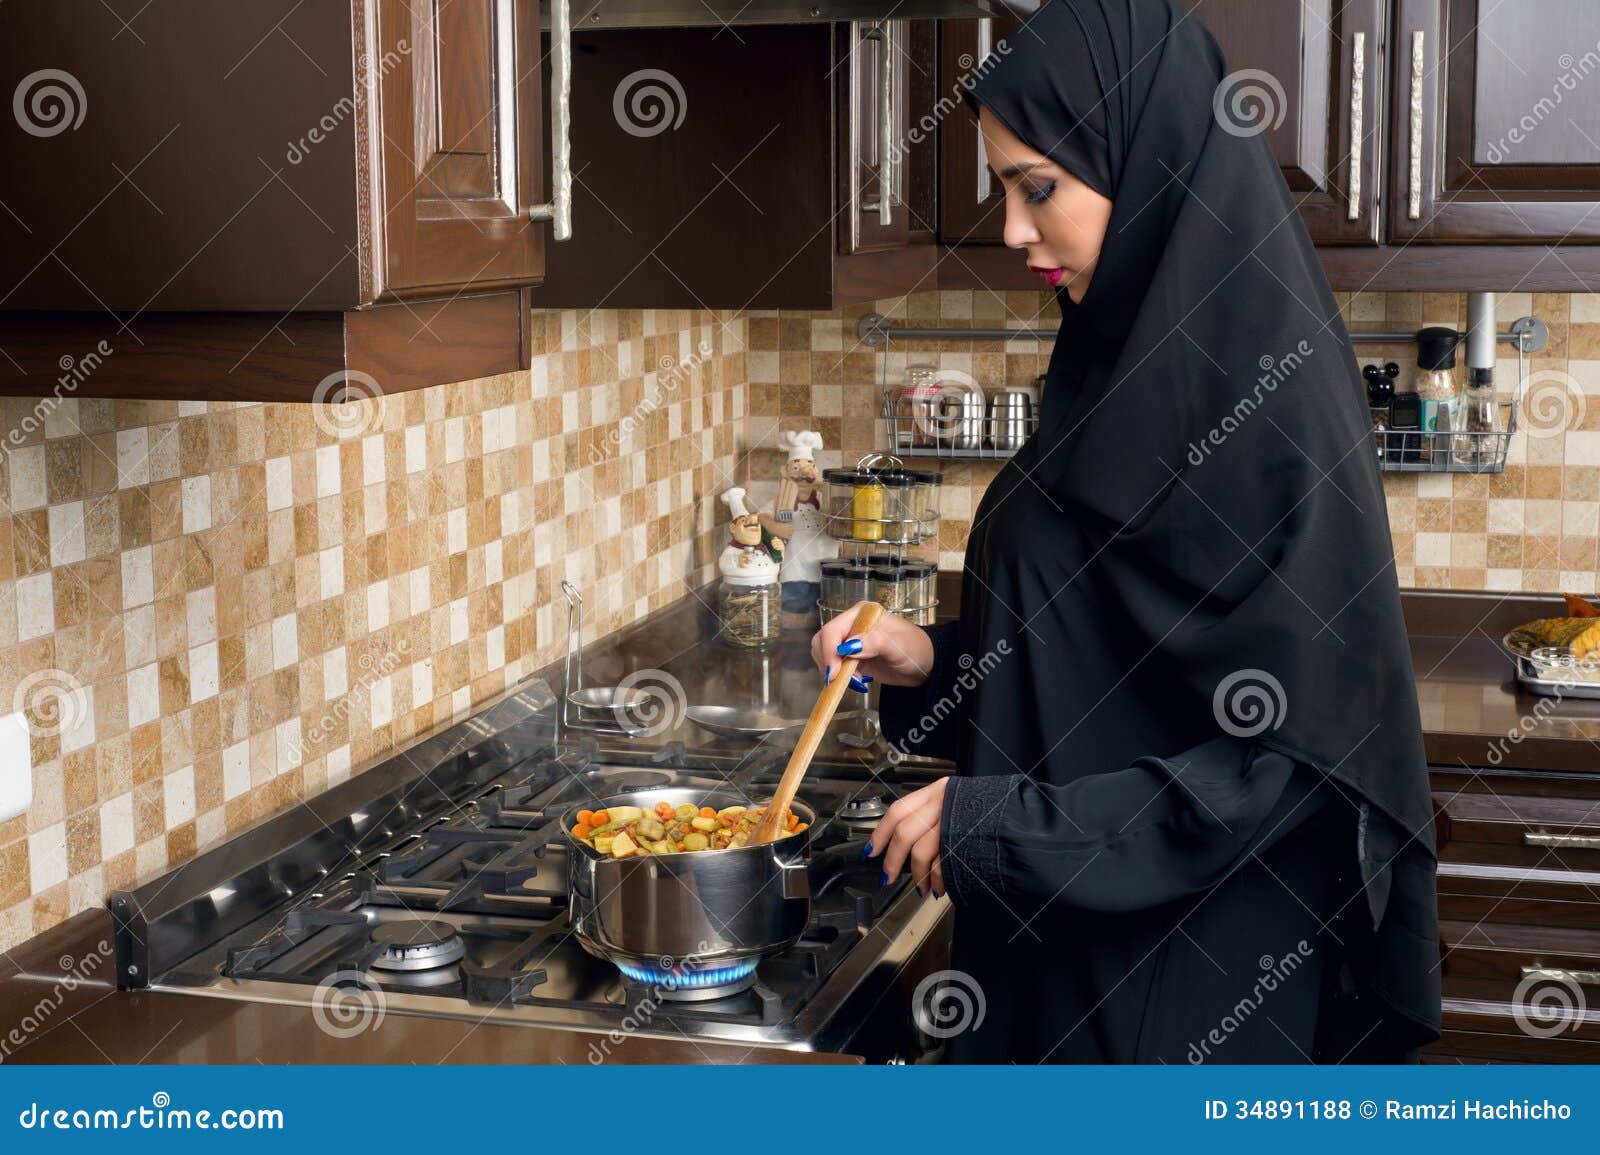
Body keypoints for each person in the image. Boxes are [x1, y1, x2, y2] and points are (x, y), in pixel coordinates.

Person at [811, 0, 1441, 1064]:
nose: (1013, 230)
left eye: (1037, 187)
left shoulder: (1272, 412)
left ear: (1150, 160)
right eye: (1004, 189)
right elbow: (1116, 664)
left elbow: (1287, 762)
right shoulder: (1122, 366)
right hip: (1064, 945)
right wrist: (934, 664)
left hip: (1181, 988)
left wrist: (994, 829)